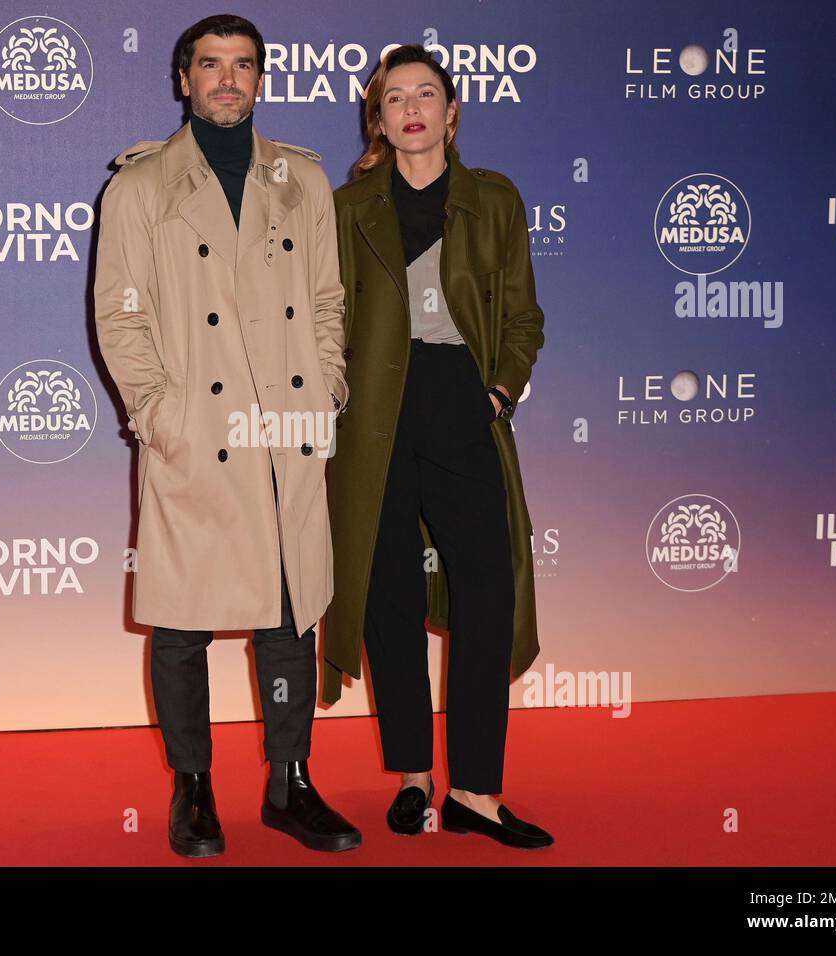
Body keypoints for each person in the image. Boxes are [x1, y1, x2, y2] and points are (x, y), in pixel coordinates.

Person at [93, 14, 360, 858]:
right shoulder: (139, 187)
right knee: (182, 627)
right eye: (210, 66)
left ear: (260, 79)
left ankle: (290, 784)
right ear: (183, 78)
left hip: (284, 428)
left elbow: (325, 302)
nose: (227, 81)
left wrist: (328, 390)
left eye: (243, 66)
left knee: (287, 616)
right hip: (197, 433)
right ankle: (194, 790)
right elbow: (121, 317)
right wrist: (159, 417)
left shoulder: (302, 180)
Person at [323, 44, 553, 848]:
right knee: (390, 598)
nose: (412, 108)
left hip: (464, 409)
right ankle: (415, 778)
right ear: (378, 120)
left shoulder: (494, 200)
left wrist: (496, 392)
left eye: (428, 94)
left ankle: (478, 793)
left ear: (453, 114)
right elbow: (327, 320)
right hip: (375, 421)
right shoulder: (348, 207)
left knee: (489, 597)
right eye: (395, 98)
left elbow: (524, 319)